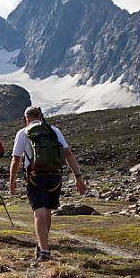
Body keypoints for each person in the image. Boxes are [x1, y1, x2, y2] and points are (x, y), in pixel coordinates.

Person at [9, 106, 86, 263]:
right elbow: (68, 153)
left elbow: (16, 159)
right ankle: (42, 245)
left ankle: (44, 251)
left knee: (39, 213)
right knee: (47, 212)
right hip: (55, 176)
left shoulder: (23, 133)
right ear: (41, 116)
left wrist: (12, 180)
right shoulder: (54, 130)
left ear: (26, 118)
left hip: (35, 176)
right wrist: (78, 176)